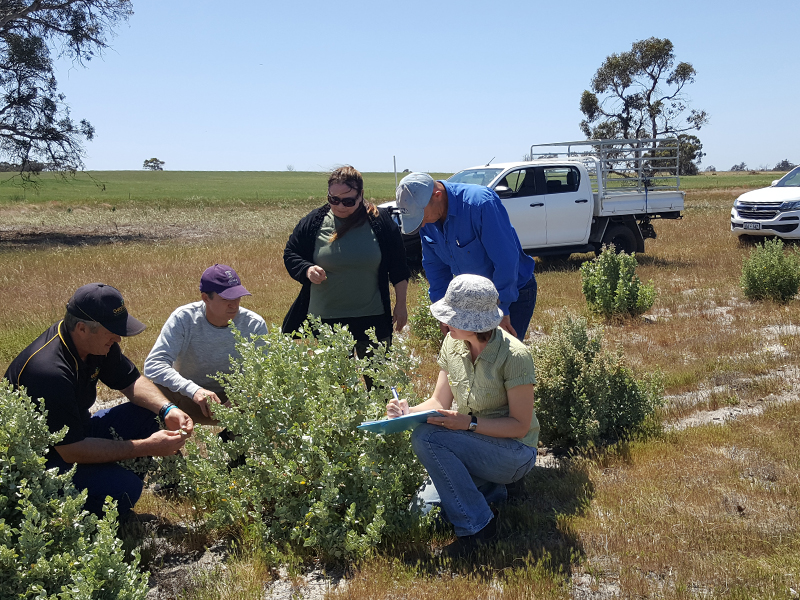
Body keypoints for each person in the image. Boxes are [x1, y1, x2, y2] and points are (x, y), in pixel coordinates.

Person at [4, 283, 194, 519]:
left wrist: (168, 409)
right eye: (112, 331)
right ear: (82, 328)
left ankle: (115, 488)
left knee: (151, 414)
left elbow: (131, 381)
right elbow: (71, 450)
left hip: (78, 433)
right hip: (42, 462)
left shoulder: (97, 344)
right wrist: (148, 446)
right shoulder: (48, 372)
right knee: (126, 489)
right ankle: (104, 514)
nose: (118, 338)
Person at [386, 274, 539, 557]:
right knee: (423, 515)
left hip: (514, 453)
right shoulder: (451, 343)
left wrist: (469, 423)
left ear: (476, 323)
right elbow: (438, 401)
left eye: (453, 317)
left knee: (426, 437)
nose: (445, 323)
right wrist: (406, 411)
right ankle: (496, 491)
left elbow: (520, 426)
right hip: (473, 445)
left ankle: (479, 529)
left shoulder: (515, 356)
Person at [283, 165, 410, 357]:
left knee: (377, 375)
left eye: (348, 201)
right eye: (334, 200)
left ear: (361, 195)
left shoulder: (380, 221)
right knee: (335, 377)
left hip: (372, 317)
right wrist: (307, 269)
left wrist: (401, 305)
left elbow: (399, 267)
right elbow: (291, 253)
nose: (340, 206)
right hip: (326, 320)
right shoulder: (314, 221)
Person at [395, 172, 537, 341]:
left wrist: (501, 310)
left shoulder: (480, 204)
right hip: (474, 297)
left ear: (437, 195)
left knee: (501, 354)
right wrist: (444, 312)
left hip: (511, 291)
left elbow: (506, 261)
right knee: (475, 354)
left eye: (422, 216)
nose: (423, 223)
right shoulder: (428, 220)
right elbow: (435, 267)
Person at [144, 264, 268, 426]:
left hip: (236, 399)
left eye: (237, 297)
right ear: (205, 298)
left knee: (278, 393)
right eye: (226, 299)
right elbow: (153, 365)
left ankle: (232, 439)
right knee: (153, 394)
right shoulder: (184, 318)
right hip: (189, 396)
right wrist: (193, 390)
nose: (234, 304)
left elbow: (264, 371)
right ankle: (164, 442)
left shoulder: (254, 324)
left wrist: (244, 396)